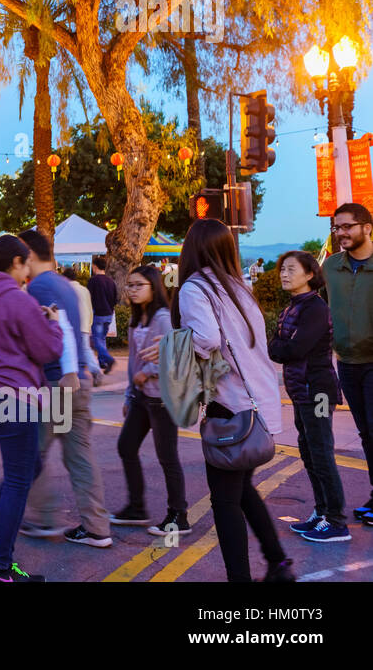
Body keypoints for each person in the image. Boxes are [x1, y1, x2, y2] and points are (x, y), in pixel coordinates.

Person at [158, 218, 289, 582]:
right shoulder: (238, 287)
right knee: (242, 489)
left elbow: (207, 338)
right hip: (257, 405)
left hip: (228, 406)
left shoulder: (195, 288)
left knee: (225, 501)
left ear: (191, 249)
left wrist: (173, 348)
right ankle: (278, 563)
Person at [0, 235, 63, 582]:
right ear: (15, 263)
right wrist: (52, 323)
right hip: (14, 399)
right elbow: (47, 350)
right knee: (20, 480)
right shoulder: (17, 301)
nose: (27, 273)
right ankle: (1, 569)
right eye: (25, 265)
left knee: (28, 466)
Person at [15, 229, 112, 548]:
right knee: (79, 455)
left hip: (56, 383)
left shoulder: (39, 287)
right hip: (78, 381)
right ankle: (97, 526)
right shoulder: (66, 286)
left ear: (28, 254)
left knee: (30, 452)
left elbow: (58, 334)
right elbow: (80, 334)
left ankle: (43, 518)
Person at [270, 250, 347, 541]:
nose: (284, 274)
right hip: (301, 392)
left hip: (318, 393)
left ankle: (337, 521)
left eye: (291, 269)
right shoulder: (292, 307)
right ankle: (322, 511)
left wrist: (280, 347)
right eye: (282, 269)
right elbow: (276, 347)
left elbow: (292, 349)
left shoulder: (314, 308)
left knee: (321, 454)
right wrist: (280, 347)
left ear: (310, 274)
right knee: (309, 453)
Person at [112, 264, 188, 536]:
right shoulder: (137, 319)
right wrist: (129, 394)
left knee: (167, 457)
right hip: (142, 398)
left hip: (163, 399)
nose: (131, 290)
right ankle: (136, 507)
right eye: (129, 285)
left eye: (138, 285)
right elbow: (133, 360)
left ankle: (178, 515)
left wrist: (148, 373)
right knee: (126, 446)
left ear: (153, 287)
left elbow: (173, 358)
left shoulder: (163, 318)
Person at [321, 202, 373, 527]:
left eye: (347, 226)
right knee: (366, 433)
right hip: (348, 363)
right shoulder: (330, 268)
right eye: (336, 227)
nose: (341, 233)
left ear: (367, 227)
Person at [88, 256, 118, 373]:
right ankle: (102, 361)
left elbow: (88, 298)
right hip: (109, 314)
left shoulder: (93, 281)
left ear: (95, 267)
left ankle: (108, 359)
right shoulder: (111, 282)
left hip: (98, 314)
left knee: (96, 340)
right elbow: (115, 298)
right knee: (102, 338)